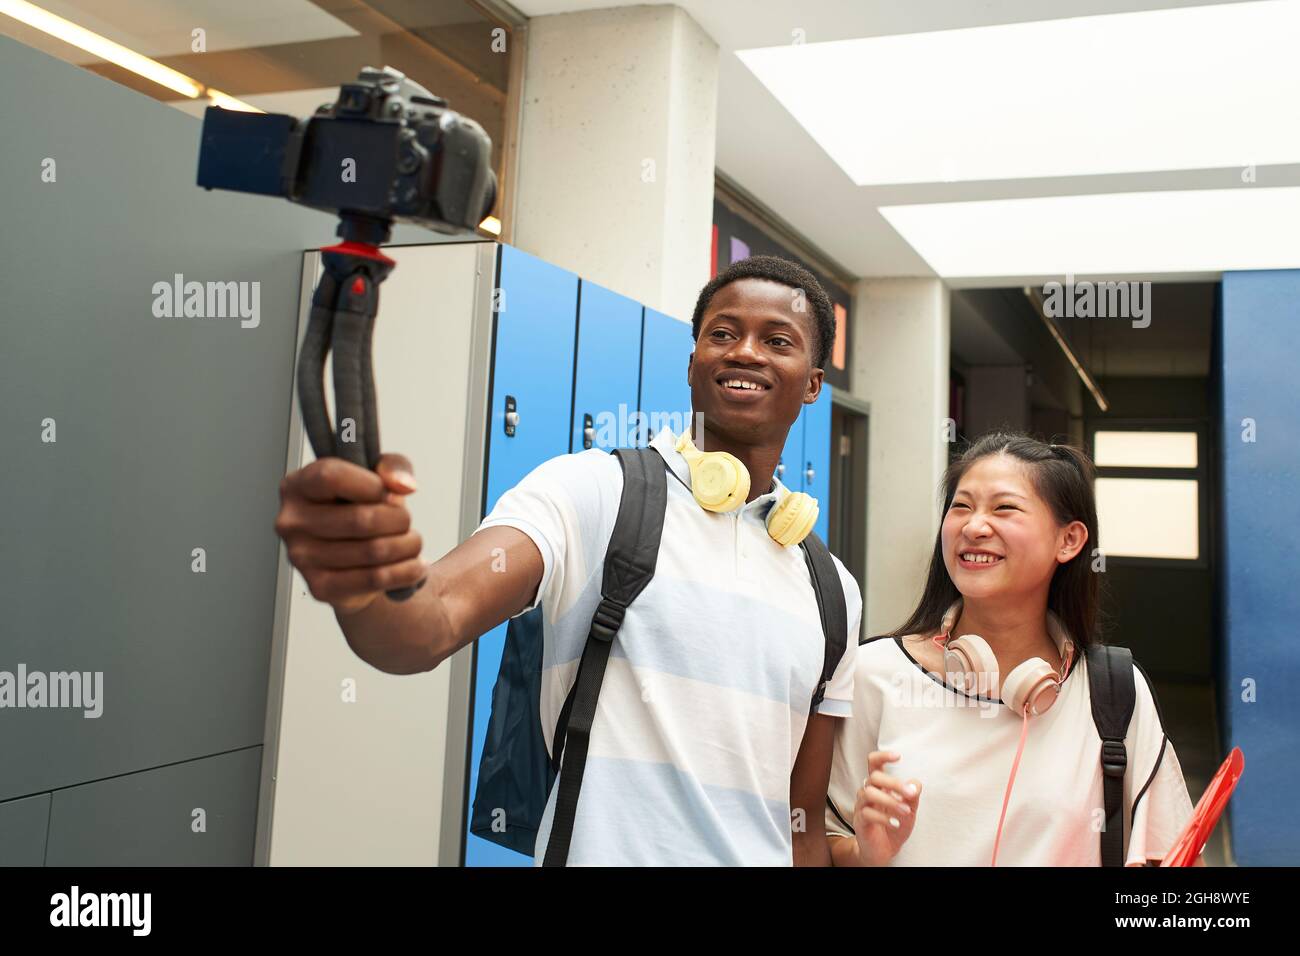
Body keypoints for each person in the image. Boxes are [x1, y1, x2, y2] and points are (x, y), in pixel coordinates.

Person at [275, 254, 862, 865]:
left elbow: (801, 827)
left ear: (812, 384)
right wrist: (363, 581)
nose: (744, 352)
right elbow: (427, 623)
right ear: (693, 364)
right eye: (723, 333)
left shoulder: (832, 590)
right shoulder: (594, 493)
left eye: (777, 341)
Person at [825, 433, 1197, 867]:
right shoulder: (874, 674)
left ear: (1069, 540)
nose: (973, 527)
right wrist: (867, 854)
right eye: (961, 507)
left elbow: (1171, 854)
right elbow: (822, 840)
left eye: (1004, 508)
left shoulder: (1113, 691)